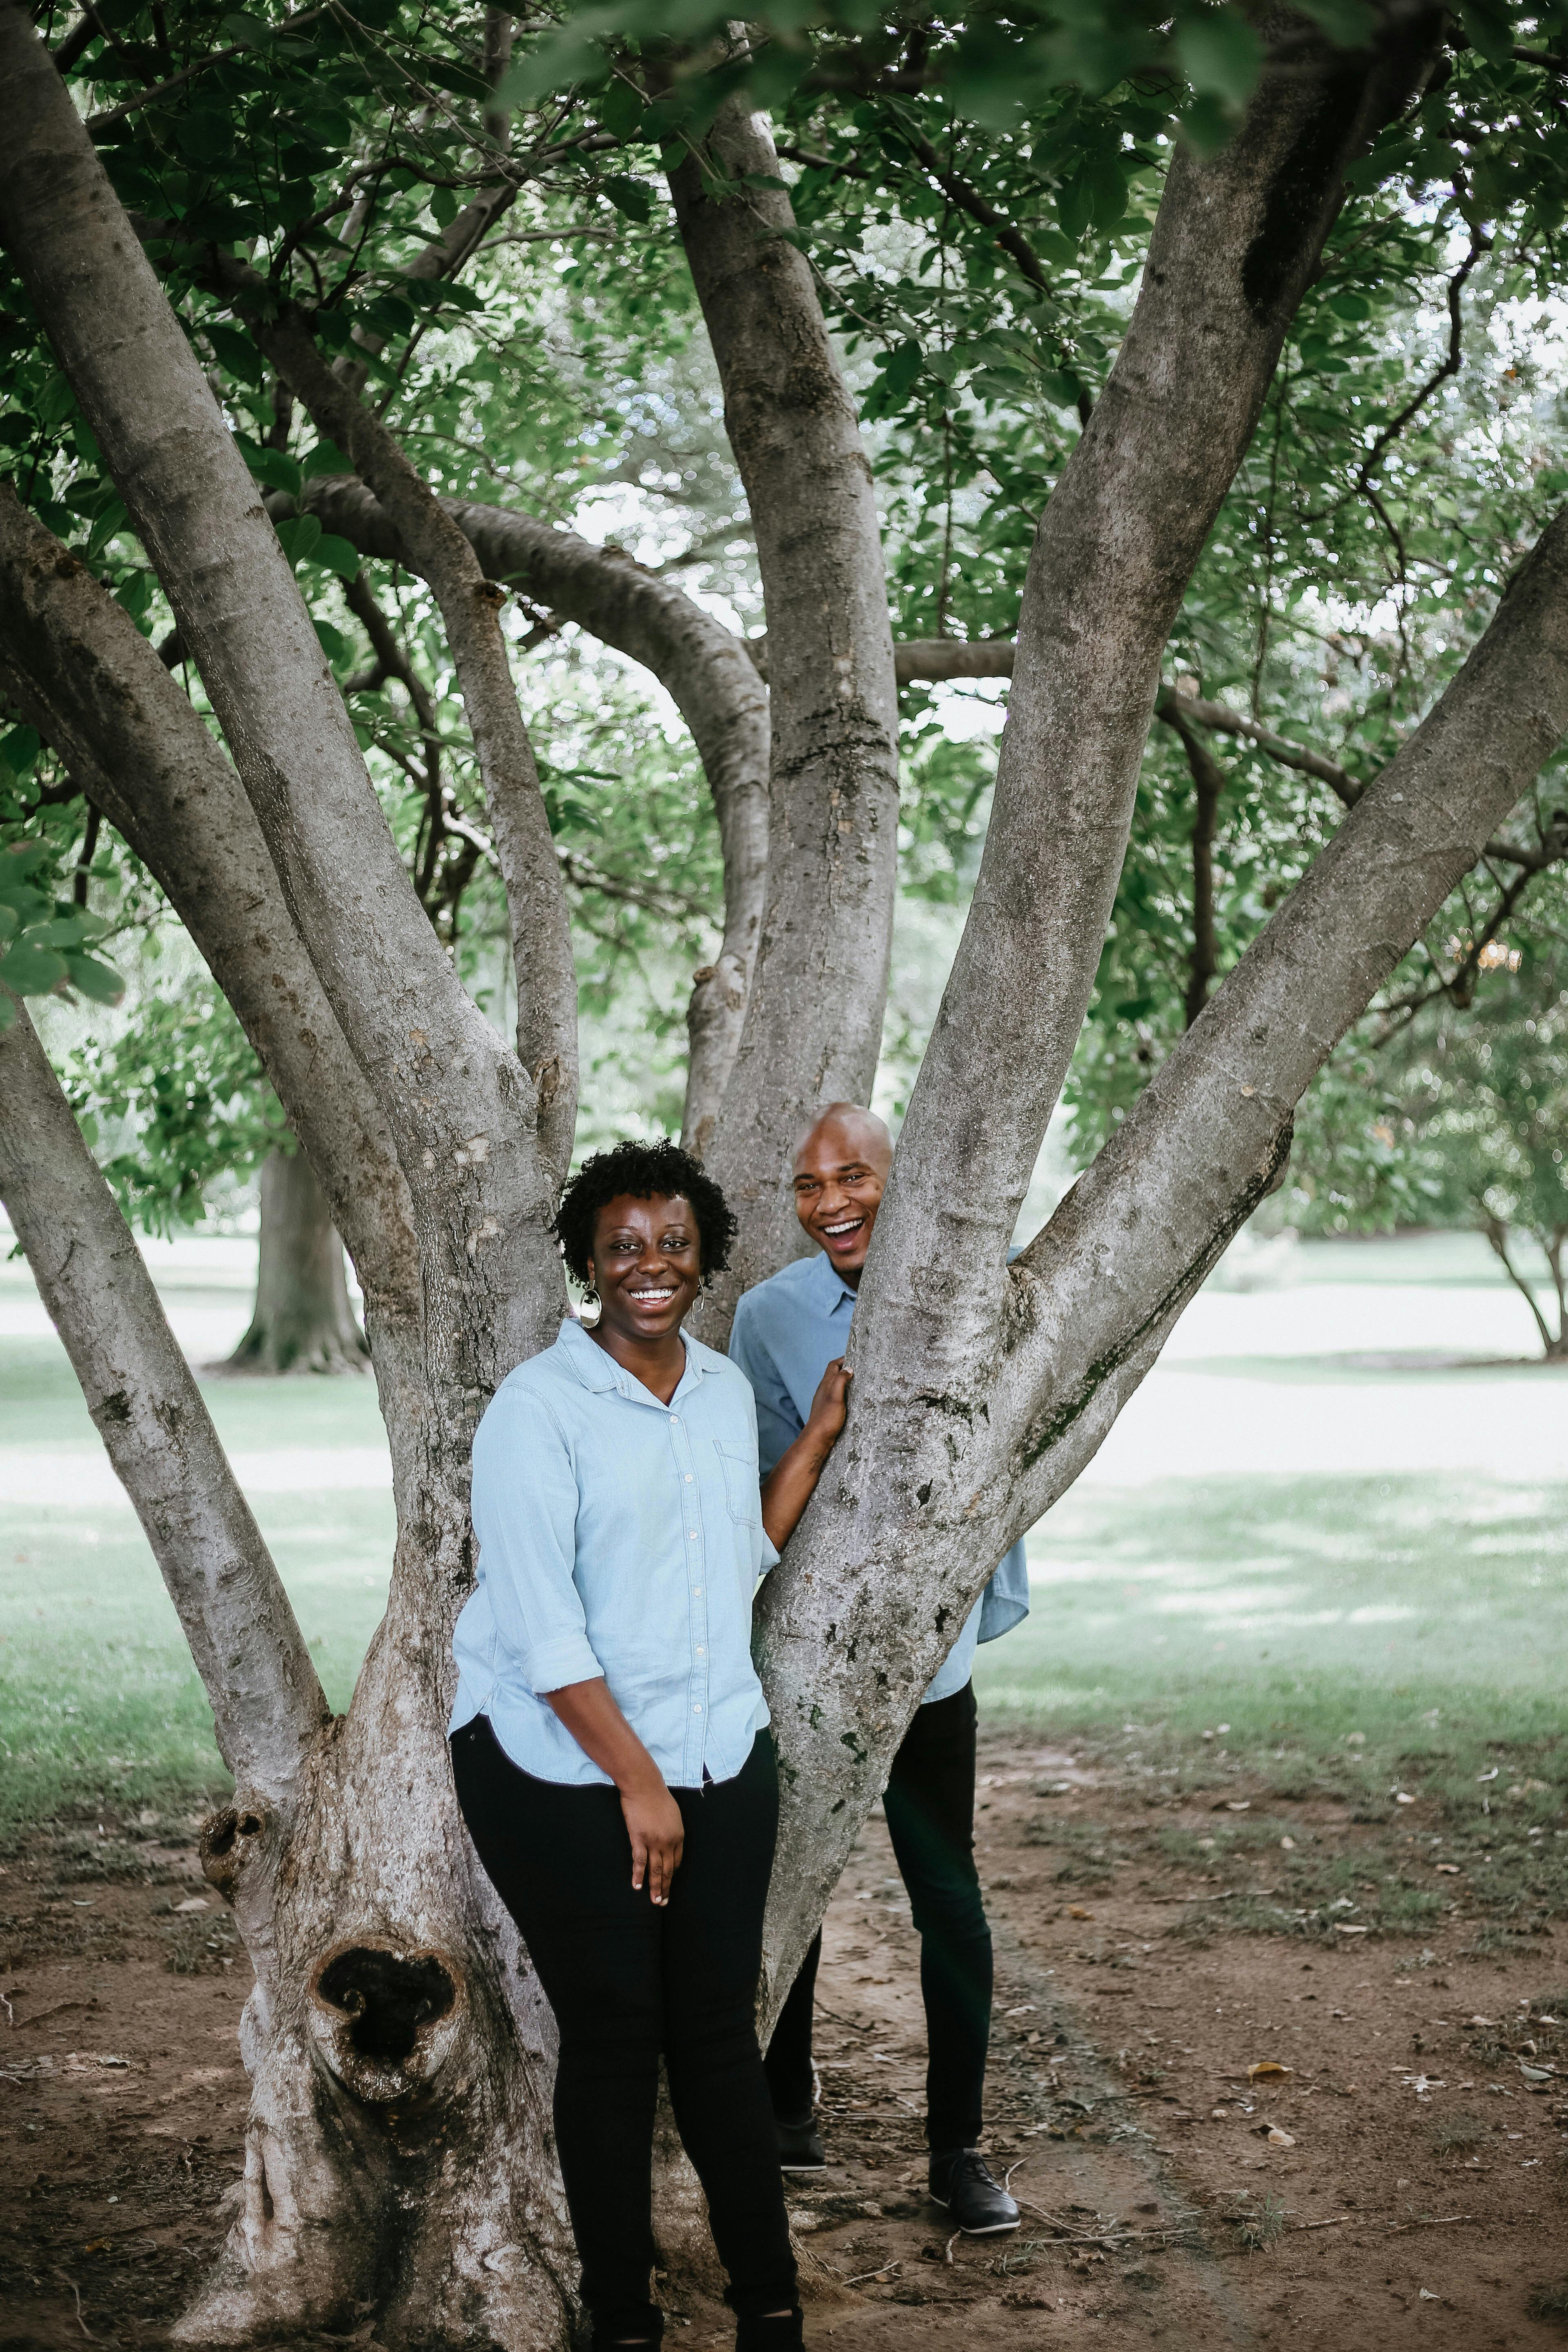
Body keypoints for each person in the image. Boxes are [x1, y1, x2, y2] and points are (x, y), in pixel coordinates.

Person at [448, 1138, 850, 2352]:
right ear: (586, 1263)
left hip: (719, 1745)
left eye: (673, 1245)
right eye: (624, 1247)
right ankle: (621, 2321)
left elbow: (736, 1559)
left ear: (706, 1257)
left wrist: (817, 1440)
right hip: (555, 1763)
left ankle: (770, 2313)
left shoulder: (724, 1392)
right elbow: (540, 1626)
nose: (651, 1267)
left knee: (721, 2034)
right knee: (619, 2032)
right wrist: (637, 1782)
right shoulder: (538, 1410)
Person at [728, 1105, 1031, 2238]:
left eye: (855, 1176)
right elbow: (768, 1494)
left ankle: (957, 2149)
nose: (832, 1204)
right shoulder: (768, 1319)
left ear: (905, 1180)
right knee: (786, 1880)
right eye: (809, 1186)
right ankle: (784, 2106)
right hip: (806, 1654)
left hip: (928, 1666)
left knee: (945, 1904)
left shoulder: (983, 1284)